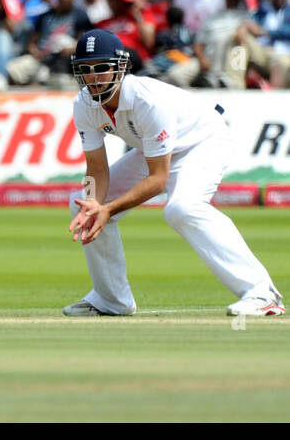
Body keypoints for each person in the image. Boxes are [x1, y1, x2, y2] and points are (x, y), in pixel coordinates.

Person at [65, 29, 283, 317]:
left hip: (203, 141)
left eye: (102, 68)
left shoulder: (147, 101)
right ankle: (112, 299)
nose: (94, 77)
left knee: (182, 208)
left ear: (120, 68)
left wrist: (108, 209)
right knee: (81, 203)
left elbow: (158, 180)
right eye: (86, 70)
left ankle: (262, 293)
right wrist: (95, 204)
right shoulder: (84, 104)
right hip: (154, 148)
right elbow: (96, 167)